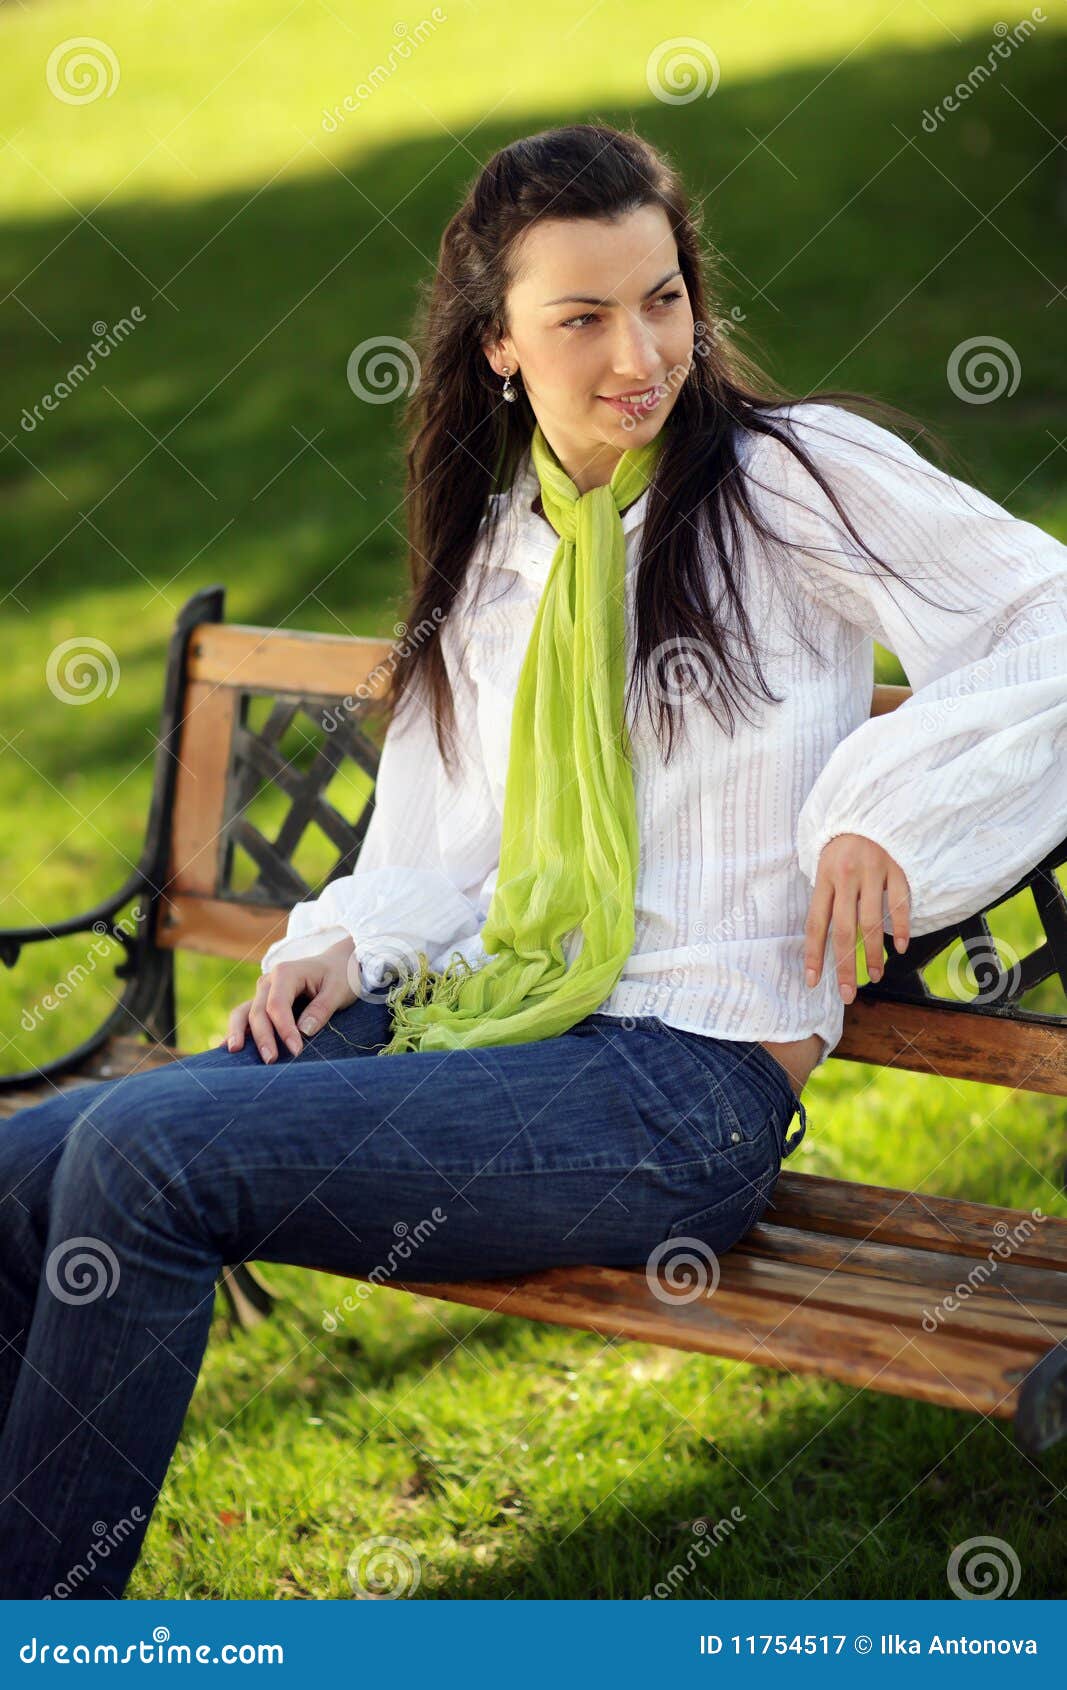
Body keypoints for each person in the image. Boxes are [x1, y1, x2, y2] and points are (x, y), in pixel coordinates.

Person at [2, 122, 1065, 1600]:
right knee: (18, 1166)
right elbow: (447, 839)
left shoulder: (791, 477)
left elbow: (1046, 616)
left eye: (664, 298)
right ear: (498, 345)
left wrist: (885, 807)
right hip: (485, 1015)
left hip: (674, 1088)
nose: (641, 352)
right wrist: (345, 939)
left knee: (144, 1152)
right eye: (581, 317)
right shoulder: (506, 547)